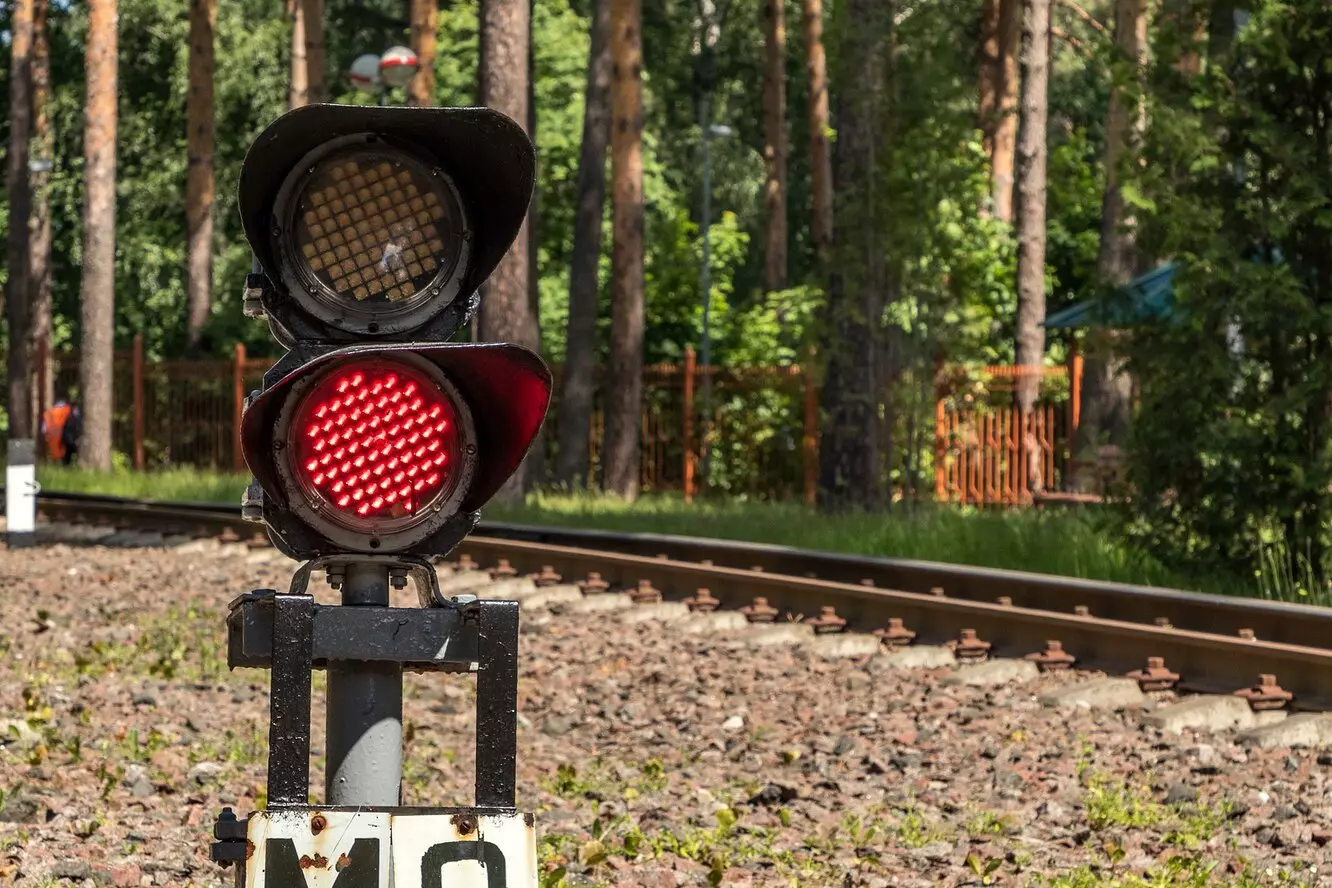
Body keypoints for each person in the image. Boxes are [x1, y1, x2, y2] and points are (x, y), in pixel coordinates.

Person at [41, 395, 81, 465]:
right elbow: (78, 424)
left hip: (52, 443)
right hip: (68, 442)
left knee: (55, 460)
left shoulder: (48, 413)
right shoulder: (70, 410)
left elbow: (43, 430)